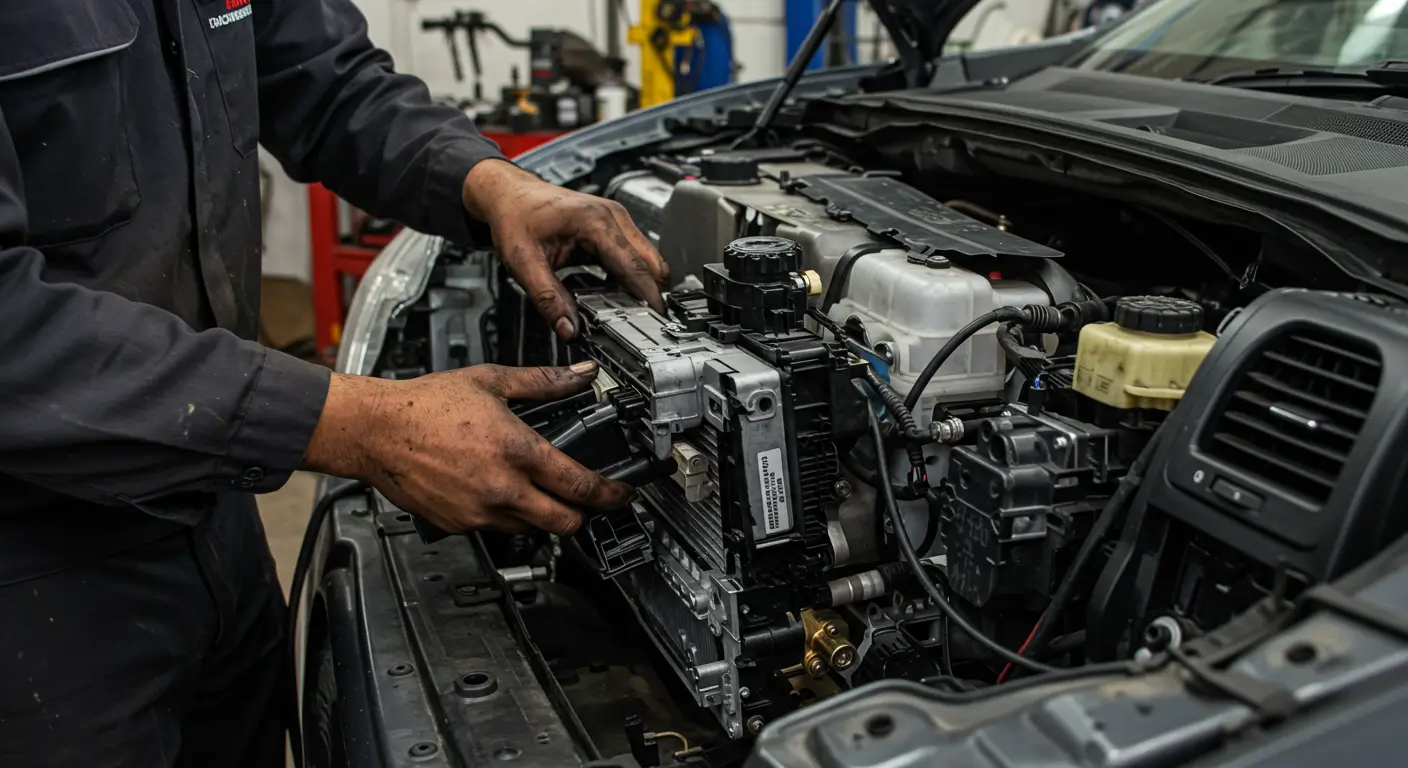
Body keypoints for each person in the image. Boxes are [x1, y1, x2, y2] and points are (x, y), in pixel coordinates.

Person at [0, 1, 668, 766]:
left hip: (210, 496)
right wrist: (352, 423)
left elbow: (328, 83)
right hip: (32, 569)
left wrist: (488, 181)